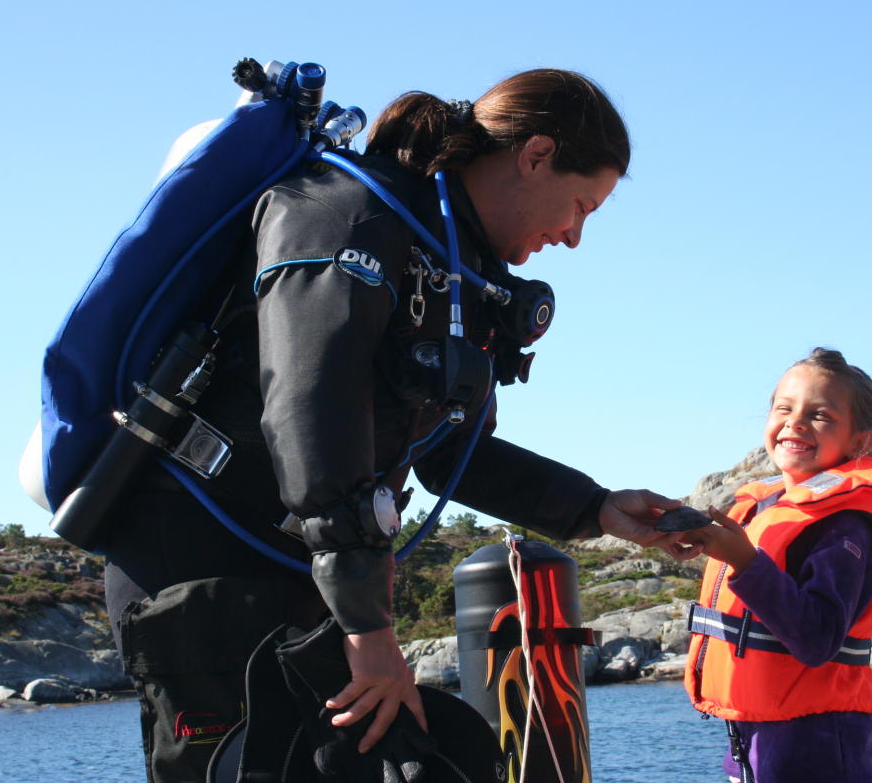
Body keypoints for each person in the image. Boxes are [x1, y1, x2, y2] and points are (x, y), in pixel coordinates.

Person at [102, 68, 699, 783]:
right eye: (582, 206)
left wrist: (595, 508)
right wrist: (368, 629)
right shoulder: (344, 213)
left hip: (304, 579)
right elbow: (308, 412)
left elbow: (451, 456)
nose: (573, 236)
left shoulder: (459, 273)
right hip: (201, 565)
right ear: (536, 154)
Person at [679, 348, 872, 783]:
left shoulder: (848, 527)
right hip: (753, 744)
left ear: (861, 442)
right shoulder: (763, 508)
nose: (796, 422)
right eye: (783, 408)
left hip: (818, 747)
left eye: (821, 415)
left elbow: (817, 637)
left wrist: (743, 560)